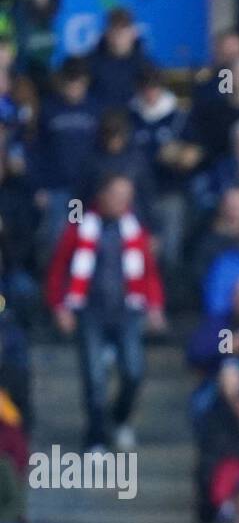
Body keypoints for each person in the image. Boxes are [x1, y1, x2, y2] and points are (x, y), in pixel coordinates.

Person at [44, 173, 165, 451]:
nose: (122, 202)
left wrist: (155, 305)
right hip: (90, 312)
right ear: (102, 195)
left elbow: (149, 271)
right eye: (117, 195)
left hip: (127, 311)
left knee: (134, 370)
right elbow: (58, 269)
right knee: (94, 376)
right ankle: (95, 434)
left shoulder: (135, 229)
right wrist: (59, 306)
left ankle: (120, 419)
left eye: (127, 196)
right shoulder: (79, 226)